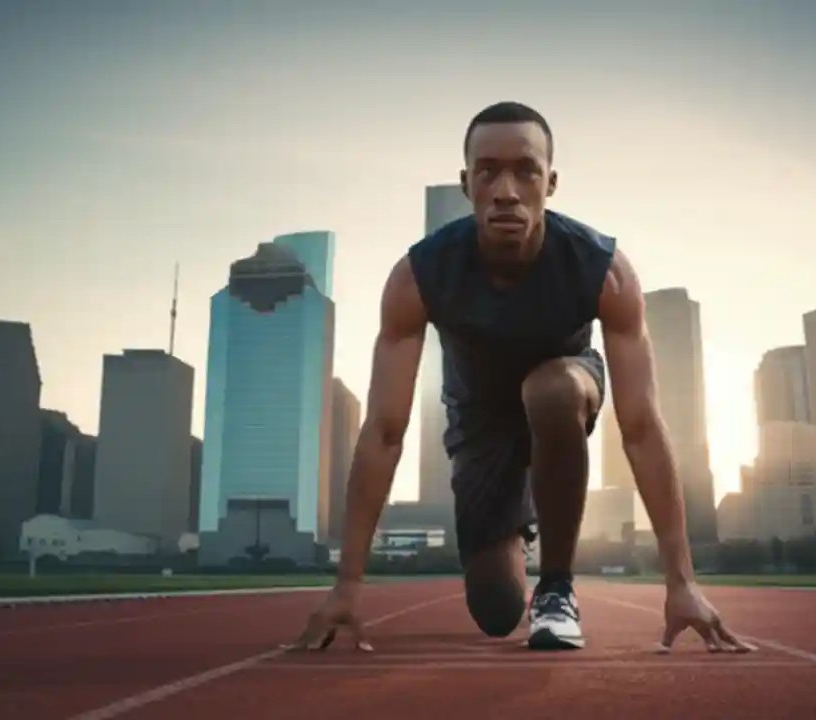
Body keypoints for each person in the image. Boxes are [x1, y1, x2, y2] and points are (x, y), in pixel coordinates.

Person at [289, 101, 753, 653]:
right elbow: (385, 430)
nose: (506, 189)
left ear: (550, 183)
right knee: (496, 611)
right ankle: (517, 520)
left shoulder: (601, 269)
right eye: (488, 172)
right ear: (467, 184)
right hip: (480, 425)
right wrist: (348, 584)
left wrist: (682, 582)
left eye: (525, 170)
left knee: (551, 390)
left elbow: (642, 428)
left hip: (564, 390)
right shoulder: (419, 277)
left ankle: (557, 588)